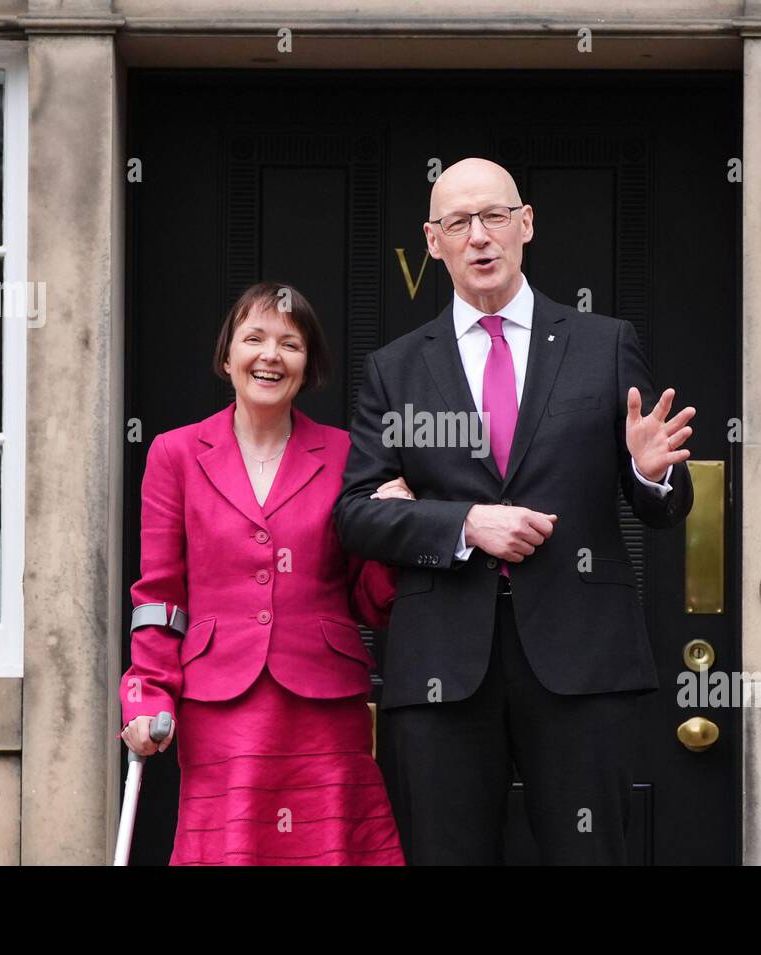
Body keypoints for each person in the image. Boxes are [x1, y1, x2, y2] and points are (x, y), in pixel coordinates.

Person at [332, 158, 696, 865]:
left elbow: (663, 509)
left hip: (582, 658)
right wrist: (464, 524)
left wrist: (649, 473)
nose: (479, 236)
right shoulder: (395, 368)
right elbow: (355, 513)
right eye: (457, 223)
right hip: (442, 667)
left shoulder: (604, 344)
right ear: (432, 241)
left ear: (525, 223)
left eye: (494, 216)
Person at [119, 281, 405, 866]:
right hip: (221, 709)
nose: (271, 355)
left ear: (308, 366)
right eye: (254, 339)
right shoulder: (174, 454)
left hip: (325, 710)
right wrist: (146, 693)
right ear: (227, 357)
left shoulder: (348, 456)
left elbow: (371, 601)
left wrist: (396, 534)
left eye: (290, 344)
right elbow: (159, 596)